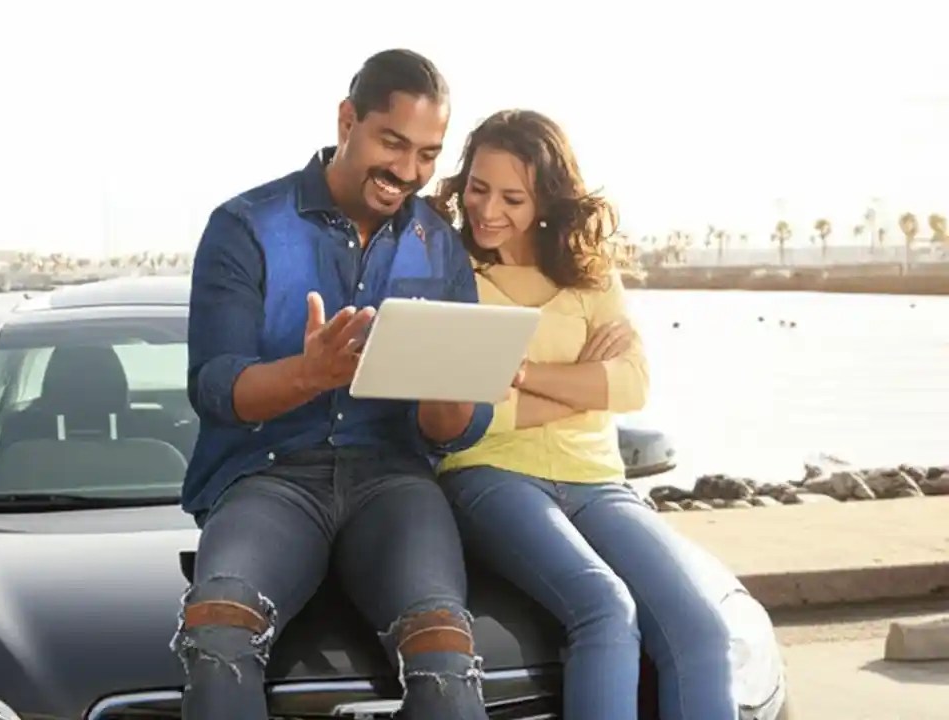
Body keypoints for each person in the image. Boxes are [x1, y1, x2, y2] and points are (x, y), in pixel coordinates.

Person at [171, 49, 495, 720]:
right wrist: (308, 375)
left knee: (447, 655)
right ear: (348, 120)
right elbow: (214, 388)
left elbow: (456, 428)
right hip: (269, 477)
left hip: (394, 485)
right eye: (392, 142)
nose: (408, 171)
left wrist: (452, 383)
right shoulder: (246, 227)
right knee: (219, 630)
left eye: (428, 155)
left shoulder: (441, 248)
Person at [430, 109, 737, 720]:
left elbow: (631, 383)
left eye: (512, 196)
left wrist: (519, 376)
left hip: (598, 482)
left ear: (546, 198)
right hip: (488, 476)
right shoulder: (448, 272)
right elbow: (467, 416)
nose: (488, 210)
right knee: (605, 608)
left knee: (702, 629)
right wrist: (577, 387)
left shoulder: (589, 271)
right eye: (478, 189)